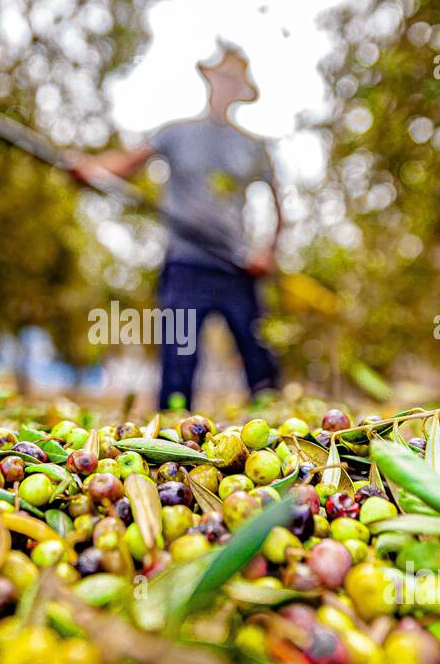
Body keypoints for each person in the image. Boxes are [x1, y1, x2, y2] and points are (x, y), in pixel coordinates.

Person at [71, 42, 283, 410]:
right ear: (210, 79)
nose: (228, 85)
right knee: (178, 362)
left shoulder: (252, 148)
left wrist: (268, 250)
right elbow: (126, 163)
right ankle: (172, 438)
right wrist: (89, 168)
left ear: (242, 91)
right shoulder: (175, 134)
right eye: (224, 77)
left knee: (259, 359)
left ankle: (282, 426)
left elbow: (280, 205)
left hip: (235, 268)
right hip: (186, 265)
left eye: (237, 80)